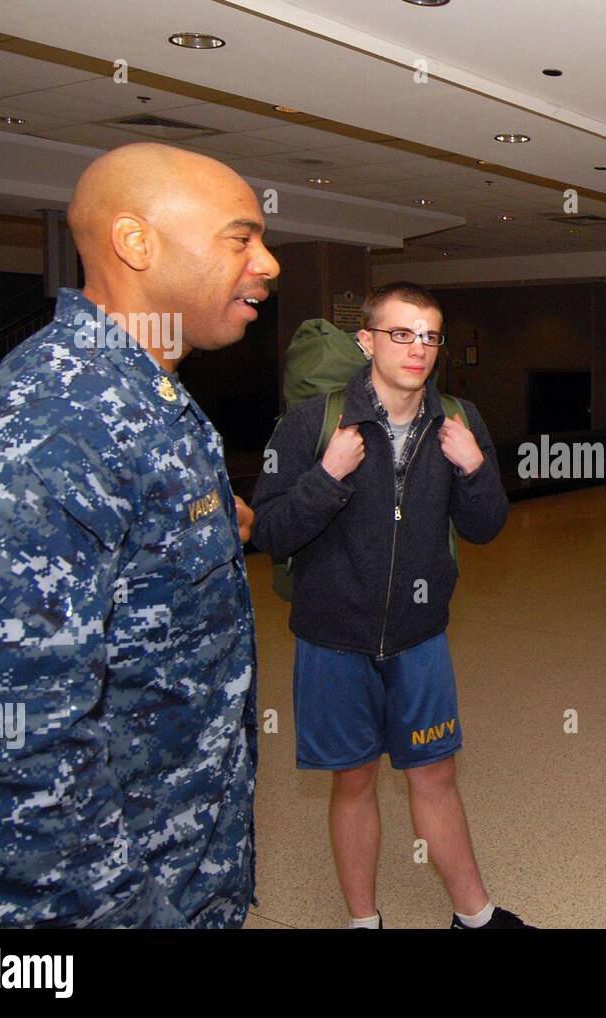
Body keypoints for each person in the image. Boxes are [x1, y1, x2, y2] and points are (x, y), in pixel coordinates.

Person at [0, 142, 276, 928]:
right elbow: (3, 749)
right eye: (241, 238)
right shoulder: (53, 423)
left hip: (181, 863)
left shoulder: (147, 397)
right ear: (136, 242)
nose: (268, 263)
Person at [251, 282, 529, 929]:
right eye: (401, 333)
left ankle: (475, 916)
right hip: (333, 639)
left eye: (429, 336)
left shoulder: (458, 419)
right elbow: (269, 532)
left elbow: (487, 526)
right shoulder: (312, 423)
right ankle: (363, 921)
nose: (418, 348)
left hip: (419, 637)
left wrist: (474, 468)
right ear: (367, 341)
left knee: (435, 775)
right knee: (353, 782)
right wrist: (327, 478)